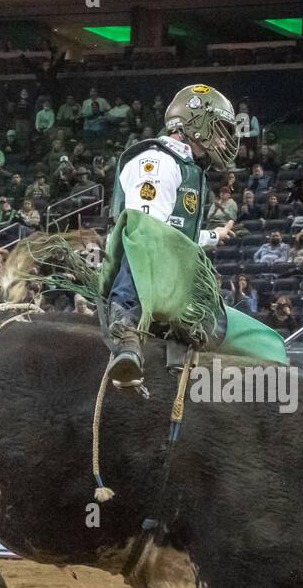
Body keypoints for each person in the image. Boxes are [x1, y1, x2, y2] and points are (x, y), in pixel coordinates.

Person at [100, 83, 247, 387]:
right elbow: (145, 231)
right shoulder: (157, 162)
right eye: (219, 129)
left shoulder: (187, 167)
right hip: (141, 275)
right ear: (197, 122)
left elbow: (177, 235)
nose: (224, 139)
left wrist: (213, 236)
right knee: (148, 238)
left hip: (167, 270)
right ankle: (126, 329)